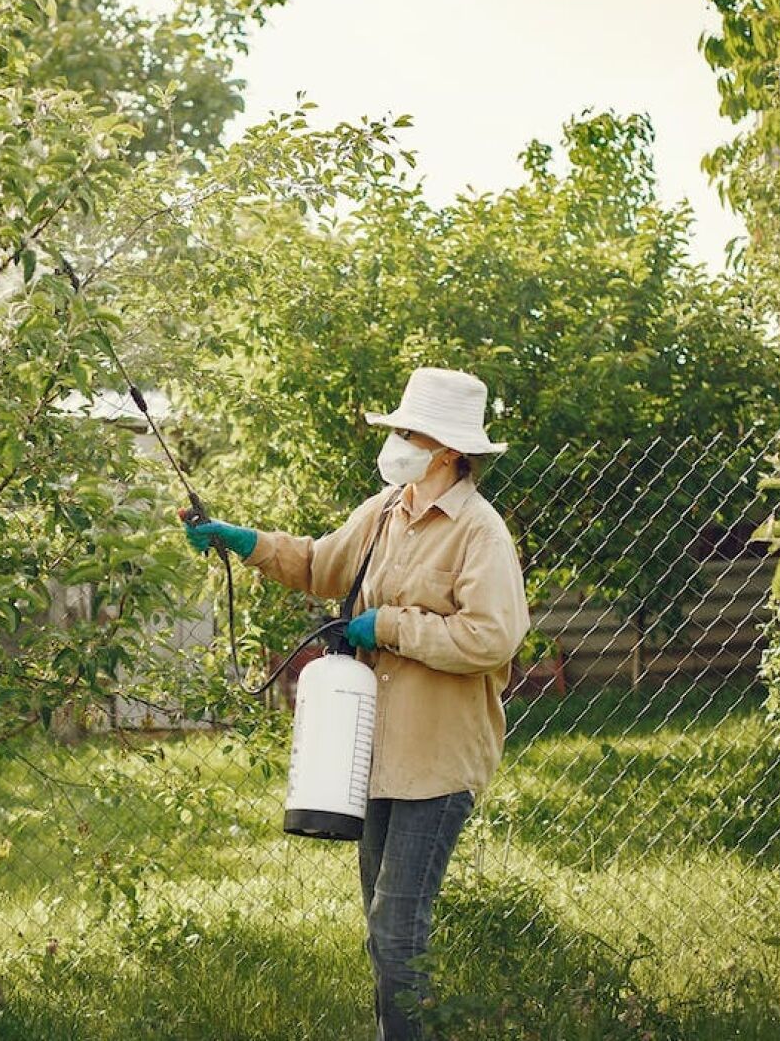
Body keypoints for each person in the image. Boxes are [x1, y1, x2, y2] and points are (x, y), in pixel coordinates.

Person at [182, 367, 530, 1041]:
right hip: (373, 754)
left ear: (449, 450)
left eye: (409, 431)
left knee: (398, 931)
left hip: (436, 759)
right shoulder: (383, 512)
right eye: (397, 428)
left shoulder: (478, 532)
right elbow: (317, 565)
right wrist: (239, 540)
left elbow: (491, 637)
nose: (397, 441)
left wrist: (392, 626)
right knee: (381, 927)